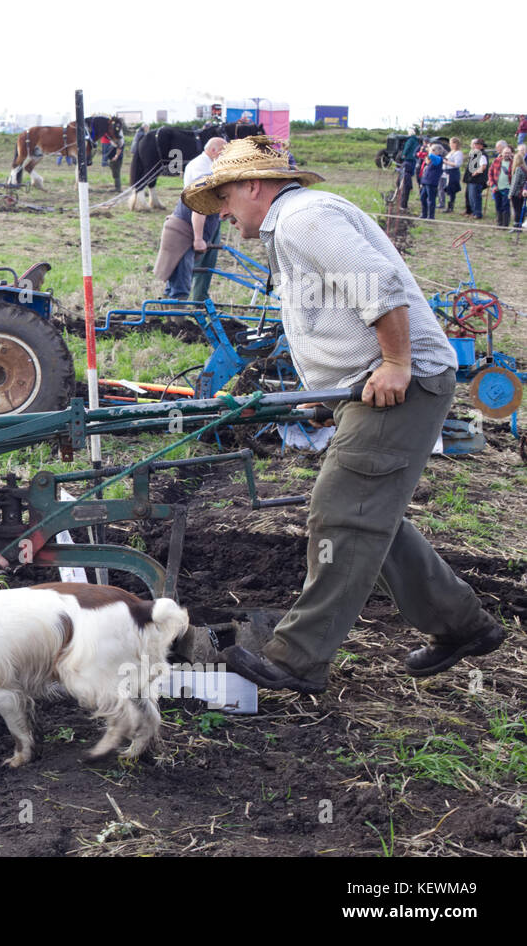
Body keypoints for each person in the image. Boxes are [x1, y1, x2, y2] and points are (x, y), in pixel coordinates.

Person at [181, 136, 505, 694]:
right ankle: (462, 626)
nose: (225, 215)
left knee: (341, 516)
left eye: (226, 198)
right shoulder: (290, 227)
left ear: (253, 185)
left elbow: (378, 286)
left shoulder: (306, 218)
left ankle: (297, 658)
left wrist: (397, 362)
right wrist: (328, 398)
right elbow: (329, 318)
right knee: (370, 516)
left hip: (404, 384)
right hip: (370, 389)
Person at [153, 136, 226, 300]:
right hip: (186, 231)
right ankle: (178, 321)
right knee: (181, 283)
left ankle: (171, 318)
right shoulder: (203, 171)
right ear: (213, 150)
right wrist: (198, 239)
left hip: (189, 227)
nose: (226, 157)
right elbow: (199, 208)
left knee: (178, 279)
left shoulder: (209, 167)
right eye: (224, 152)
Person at [488, 145, 515, 227]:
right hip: (496, 188)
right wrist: (493, 185)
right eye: (505, 153)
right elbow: (490, 173)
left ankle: (505, 224)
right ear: (502, 153)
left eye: (508, 153)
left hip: (507, 188)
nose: (506, 154)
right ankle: (499, 223)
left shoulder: (513, 163)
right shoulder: (496, 161)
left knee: (505, 205)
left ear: (511, 154)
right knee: (498, 205)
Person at [418, 139, 444, 219]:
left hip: (432, 182)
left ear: (438, 151)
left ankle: (431, 215)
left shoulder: (439, 159)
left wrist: (429, 148)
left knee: (431, 199)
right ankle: (424, 214)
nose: (431, 151)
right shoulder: (433, 159)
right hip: (426, 181)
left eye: (433, 150)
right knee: (422, 198)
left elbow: (430, 155)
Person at [464, 138, 488, 218]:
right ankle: (473, 212)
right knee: (471, 197)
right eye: (475, 144)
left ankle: (477, 213)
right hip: (472, 180)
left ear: (481, 146)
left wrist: (475, 173)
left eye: (477, 144)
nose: (475, 146)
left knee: (475, 197)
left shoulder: (482, 154)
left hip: (477, 180)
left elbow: (483, 166)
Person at [441, 137, 462, 212]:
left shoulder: (458, 153)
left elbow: (457, 164)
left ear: (455, 144)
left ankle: (450, 207)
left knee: (451, 190)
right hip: (446, 172)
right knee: (447, 189)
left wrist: (446, 162)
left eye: (451, 143)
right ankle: (448, 206)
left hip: (453, 172)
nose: (450, 144)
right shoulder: (451, 152)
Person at [510, 146, 527, 235]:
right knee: (520, 210)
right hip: (522, 193)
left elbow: (515, 183)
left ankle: (516, 226)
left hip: (516, 193)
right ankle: (519, 226)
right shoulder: (524, 168)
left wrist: (510, 193)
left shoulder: (518, 169)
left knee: (517, 210)